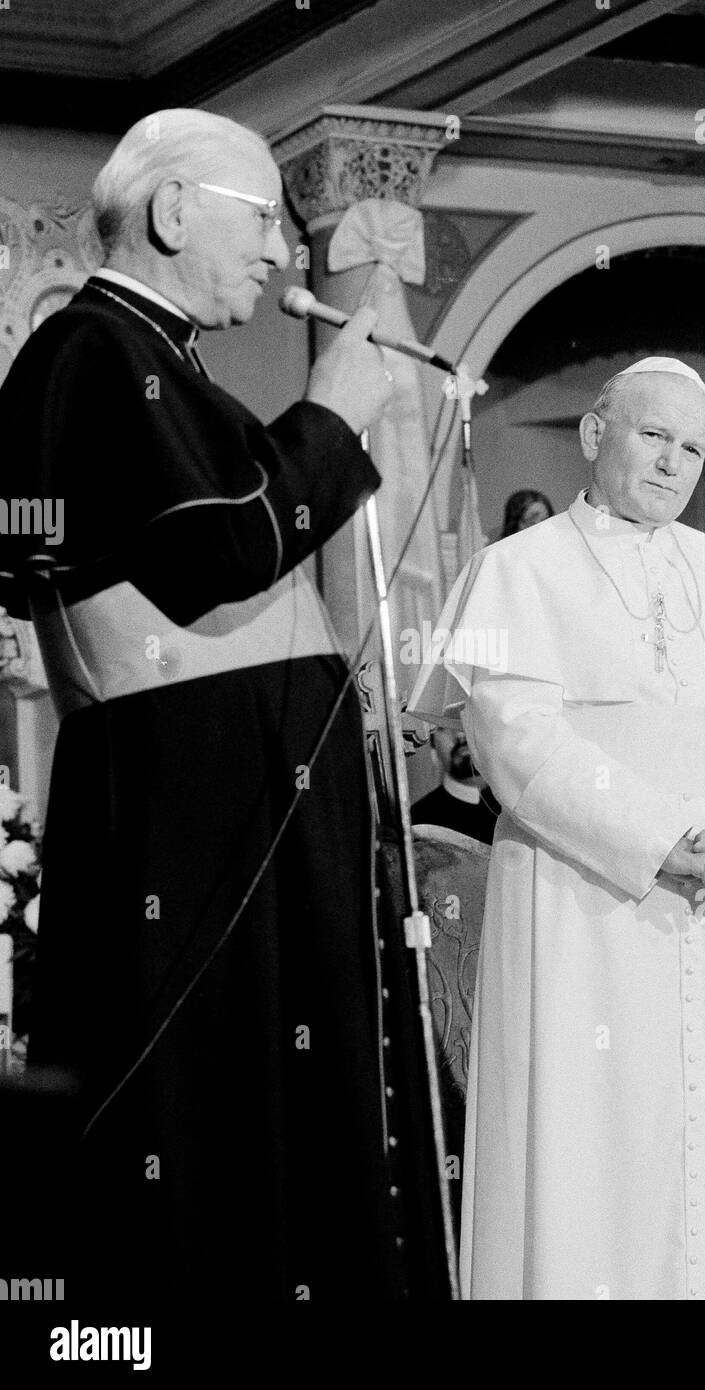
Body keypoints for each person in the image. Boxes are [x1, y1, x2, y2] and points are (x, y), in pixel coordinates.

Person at [0, 108, 432, 1304]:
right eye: (263, 223)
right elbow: (223, 553)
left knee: (284, 1119)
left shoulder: (159, 357)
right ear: (174, 210)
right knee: (201, 1132)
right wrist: (337, 409)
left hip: (248, 793)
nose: (286, 257)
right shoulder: (91, 348)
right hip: (197, 801)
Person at [408, 356, 705, 1300]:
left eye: (694, 447)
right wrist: (661, 839)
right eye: (655, 436)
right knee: (586, 1133)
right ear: (595, 434)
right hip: (580, 897)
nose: (674, 463)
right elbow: (513, 737)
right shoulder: (513, 571)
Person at [410, 728, 500, 845]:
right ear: (432, 743)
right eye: (443, 726)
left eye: (465, 720)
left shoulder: (521, 807)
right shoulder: (417, 822)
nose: (461, 734)